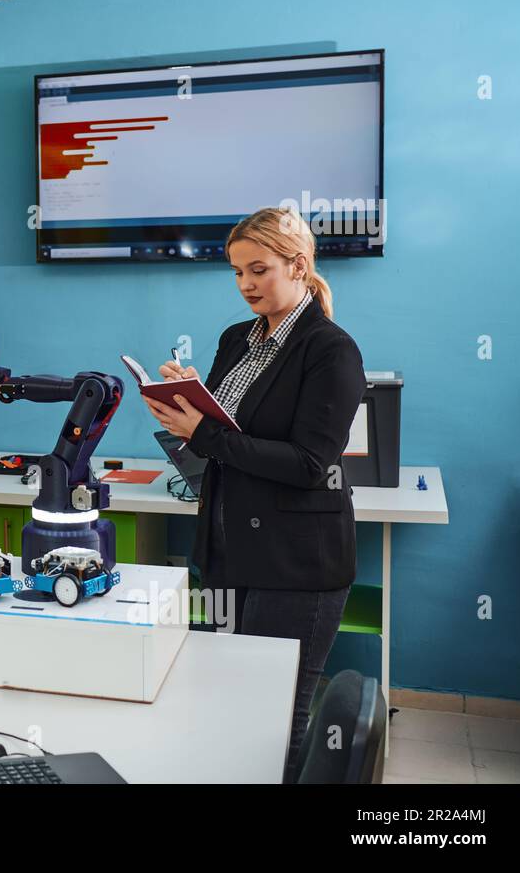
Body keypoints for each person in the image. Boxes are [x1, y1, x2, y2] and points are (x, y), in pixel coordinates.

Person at [142, 207, 365, 784]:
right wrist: (185, 404)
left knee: (273, 715)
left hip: (295, 564)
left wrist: (205, 431)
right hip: (225, 550)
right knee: (226, 702)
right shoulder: (236, 338)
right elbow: (221, 440)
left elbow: (311, 464)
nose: (245, 285)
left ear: (298, 265)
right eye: (237, 272)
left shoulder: (331, 349)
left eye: (259, 270)